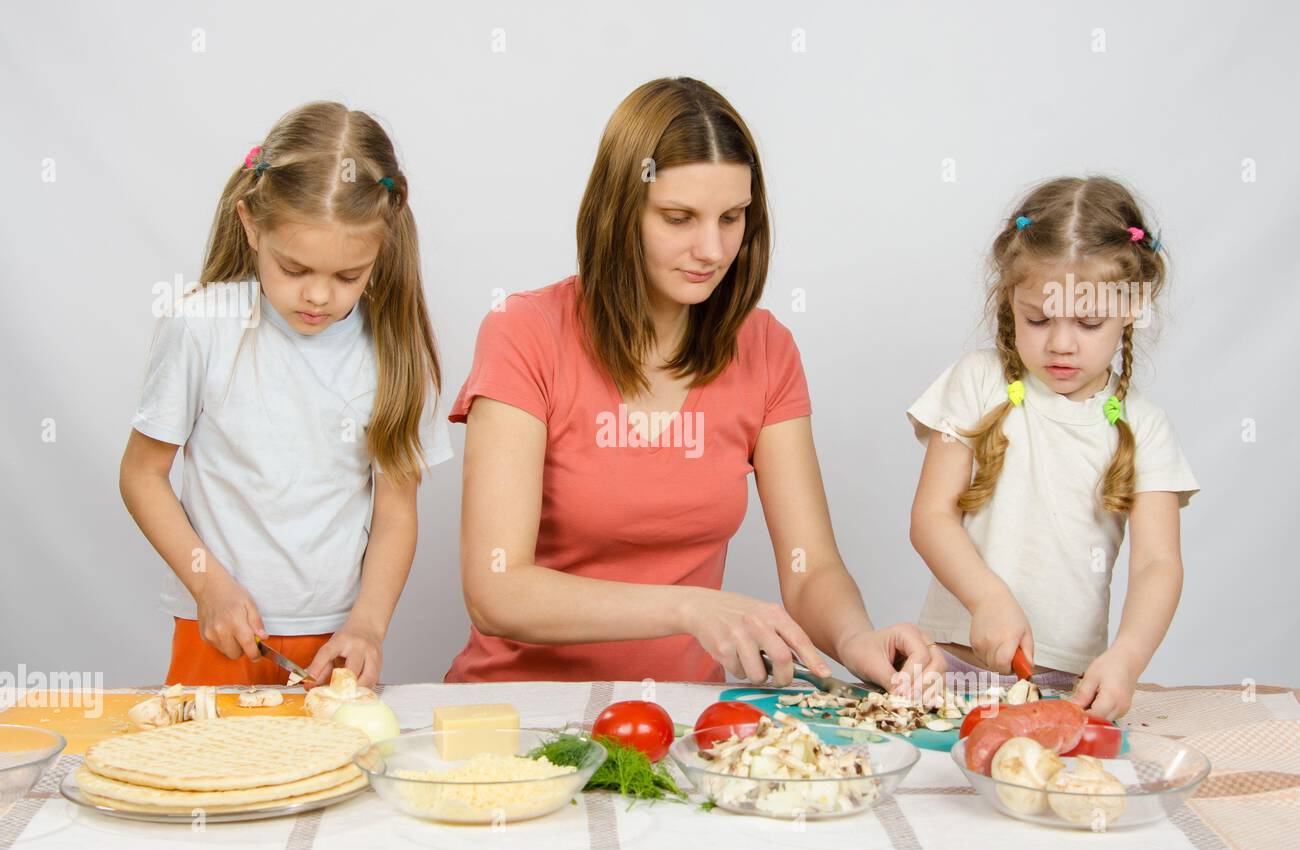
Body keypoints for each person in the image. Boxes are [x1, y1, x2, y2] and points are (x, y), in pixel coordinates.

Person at [448, 77, 942, 692]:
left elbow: (810, 566)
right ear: (619, 210)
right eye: (679, 218)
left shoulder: (766, 349)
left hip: (683, 715)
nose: (711, 249)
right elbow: (498, 590)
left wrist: (852, 638)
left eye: (731, 218)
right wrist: (689, 607)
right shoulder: (524, 333)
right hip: (522, 713)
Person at [120, 101, 451, 687]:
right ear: (251, 225)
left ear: (381, 249)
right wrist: (207, 584)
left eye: (349, 276)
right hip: (218, 628)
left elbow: (397, 515)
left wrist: (368, 626)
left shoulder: (396, 351)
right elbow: (143, 476)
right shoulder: (201, 327)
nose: (319, 296)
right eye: (294, 269)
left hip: (335, 640)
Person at [907, 176, 1198, 718]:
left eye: (1089, 322)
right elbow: (930, 516)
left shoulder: (1145, 426)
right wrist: (986, 598)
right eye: (1038, 318)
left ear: (1132, 307)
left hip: (1067, 685)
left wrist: (1128, 658)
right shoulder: (976, 382)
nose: (1061, 343)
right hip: (950, 665)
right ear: (1010, 301)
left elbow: (1158, 563)